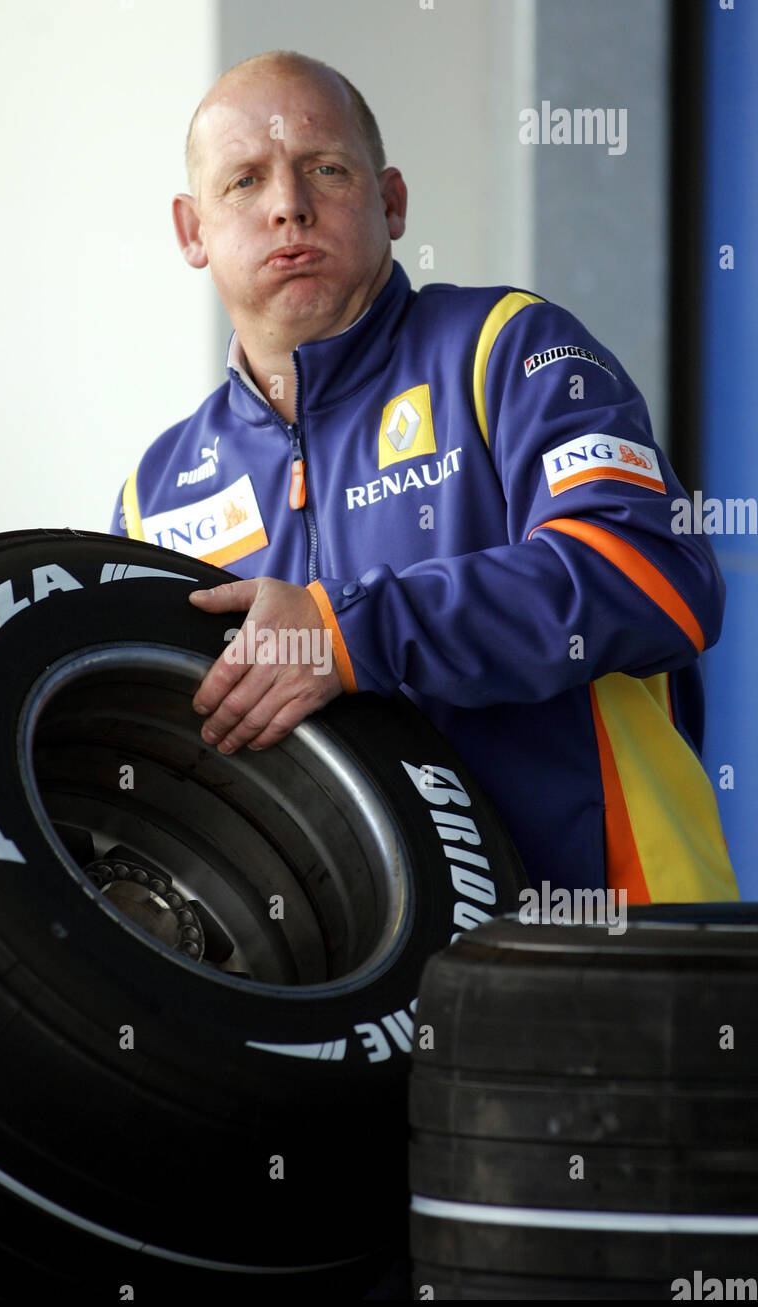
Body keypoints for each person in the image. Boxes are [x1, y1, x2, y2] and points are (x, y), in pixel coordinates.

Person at [110, 49, 738, 905]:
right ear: (192, 230)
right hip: (345, 999)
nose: (288, 206)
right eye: (245, 182)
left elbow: (656, 577)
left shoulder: (508, 349)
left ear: (392, 201)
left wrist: (356, 632)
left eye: (324, 169)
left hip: (605, 947)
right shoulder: (158, 495)